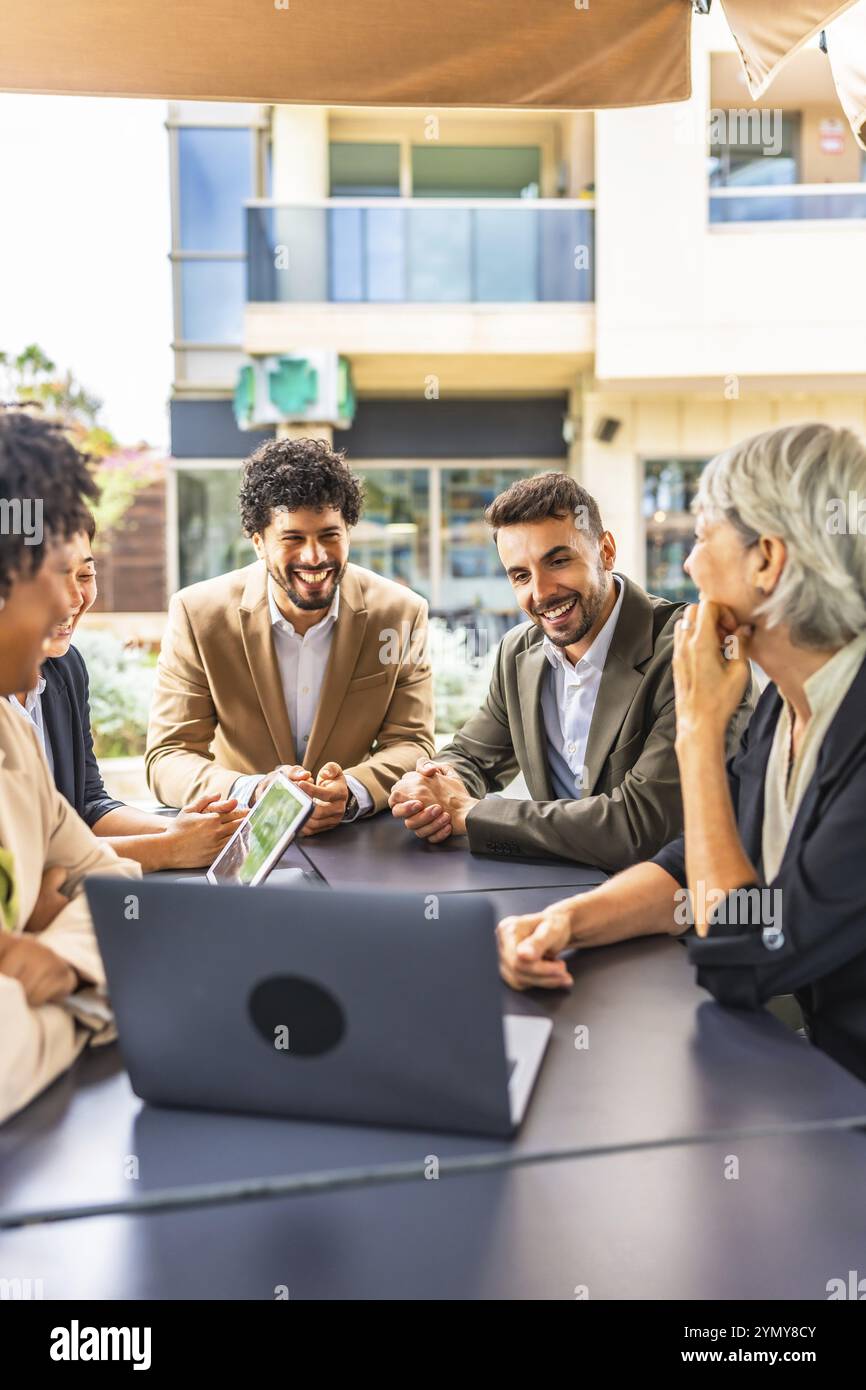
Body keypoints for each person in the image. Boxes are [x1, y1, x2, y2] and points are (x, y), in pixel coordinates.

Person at [496, 424, 866, 1084]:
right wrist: (566, 922)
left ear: (767, 560)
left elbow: (743, 947)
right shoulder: (790, 702)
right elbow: (692, 865)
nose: (690, 566)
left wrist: (698, 725)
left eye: (701, 537)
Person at [389, 472, 755, 871]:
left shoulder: (690, 648)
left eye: (558, 561)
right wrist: (428, 782)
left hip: (670, 907)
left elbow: (639, 826)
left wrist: (468, 812)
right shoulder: (519, 652)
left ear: (607, 551)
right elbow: (472, 757)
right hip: (550, 886)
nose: (542, 592)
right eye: (521, 575)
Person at [146, 437, 434, 833]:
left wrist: (352, 791)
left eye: (330, 535)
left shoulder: (400, 613)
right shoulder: (198, 614)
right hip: (243, 836)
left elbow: (413, 743)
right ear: (259, 543)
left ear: (348, 533)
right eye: (293, 538)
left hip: (356, 844)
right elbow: (168, 756)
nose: (314, 556)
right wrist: (251, 790)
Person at [0, 409, 141, 1124]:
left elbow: (116, 885)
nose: (70, 601)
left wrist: (59, 961)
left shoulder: (13, 734)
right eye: (59, 575)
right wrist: (92, 1002)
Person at [9, 513, 246, 871]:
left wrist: (190, 830)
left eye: (85, 575)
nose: (75, 598)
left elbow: (87, 805)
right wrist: (168, 848)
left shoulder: (64, 667)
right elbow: (22, 858)